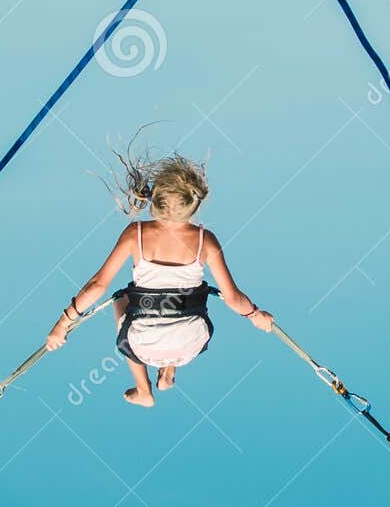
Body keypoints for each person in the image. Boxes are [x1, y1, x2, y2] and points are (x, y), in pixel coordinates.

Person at [45, 153, 273, 407]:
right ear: (193, 204)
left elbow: (98, 284)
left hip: (143, 345)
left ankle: (144, 390)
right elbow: (232, 297)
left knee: (121, 299)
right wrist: (256, 315)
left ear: (155, 200)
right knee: (178, 304)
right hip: (193, 341)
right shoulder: (205, 239)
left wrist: (62, 325)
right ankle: (170, 367)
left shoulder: (136, 233)